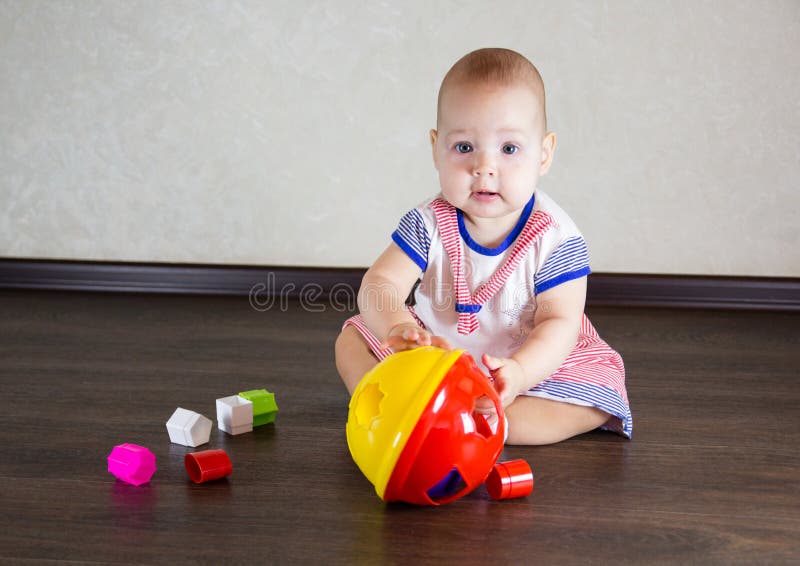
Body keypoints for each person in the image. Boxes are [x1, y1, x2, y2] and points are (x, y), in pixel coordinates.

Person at [335, 47, 632, 445]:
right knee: (351, 341)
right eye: (463, 148)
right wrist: (400, 328)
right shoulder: (428, 222)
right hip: (435, 350)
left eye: (509, 149)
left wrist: (522, 372)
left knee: (596, 395)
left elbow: (558, 323)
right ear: (436, 148)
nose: (484, 167)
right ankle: (398, 404)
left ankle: (489, 424)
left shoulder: (556, 238)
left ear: (543, 154)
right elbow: (380, 283)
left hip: (524, 357)